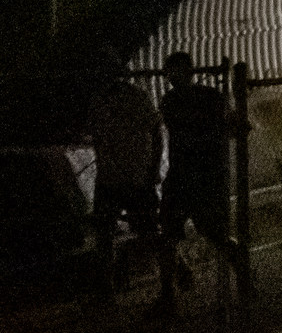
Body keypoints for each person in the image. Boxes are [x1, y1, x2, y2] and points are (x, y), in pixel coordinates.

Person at [153, 53, 241, 318]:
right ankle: (168, 293)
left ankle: (241, 271)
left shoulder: (194, 99)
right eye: (170, 73)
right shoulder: (192, 99)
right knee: (170, 234)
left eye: (175, 72)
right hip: (188, 174)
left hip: (198, 175)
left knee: (211, 232)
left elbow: (224, 125)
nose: (171, 78)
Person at [82, 55, 161, 302]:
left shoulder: (131, 98)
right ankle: (106, 287)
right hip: (116, 176)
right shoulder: (105, 100)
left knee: (141, 230)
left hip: (128, 175)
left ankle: (174, 272)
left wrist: (152, 169)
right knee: (109, 231)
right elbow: (155, 132)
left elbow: (155, 132)